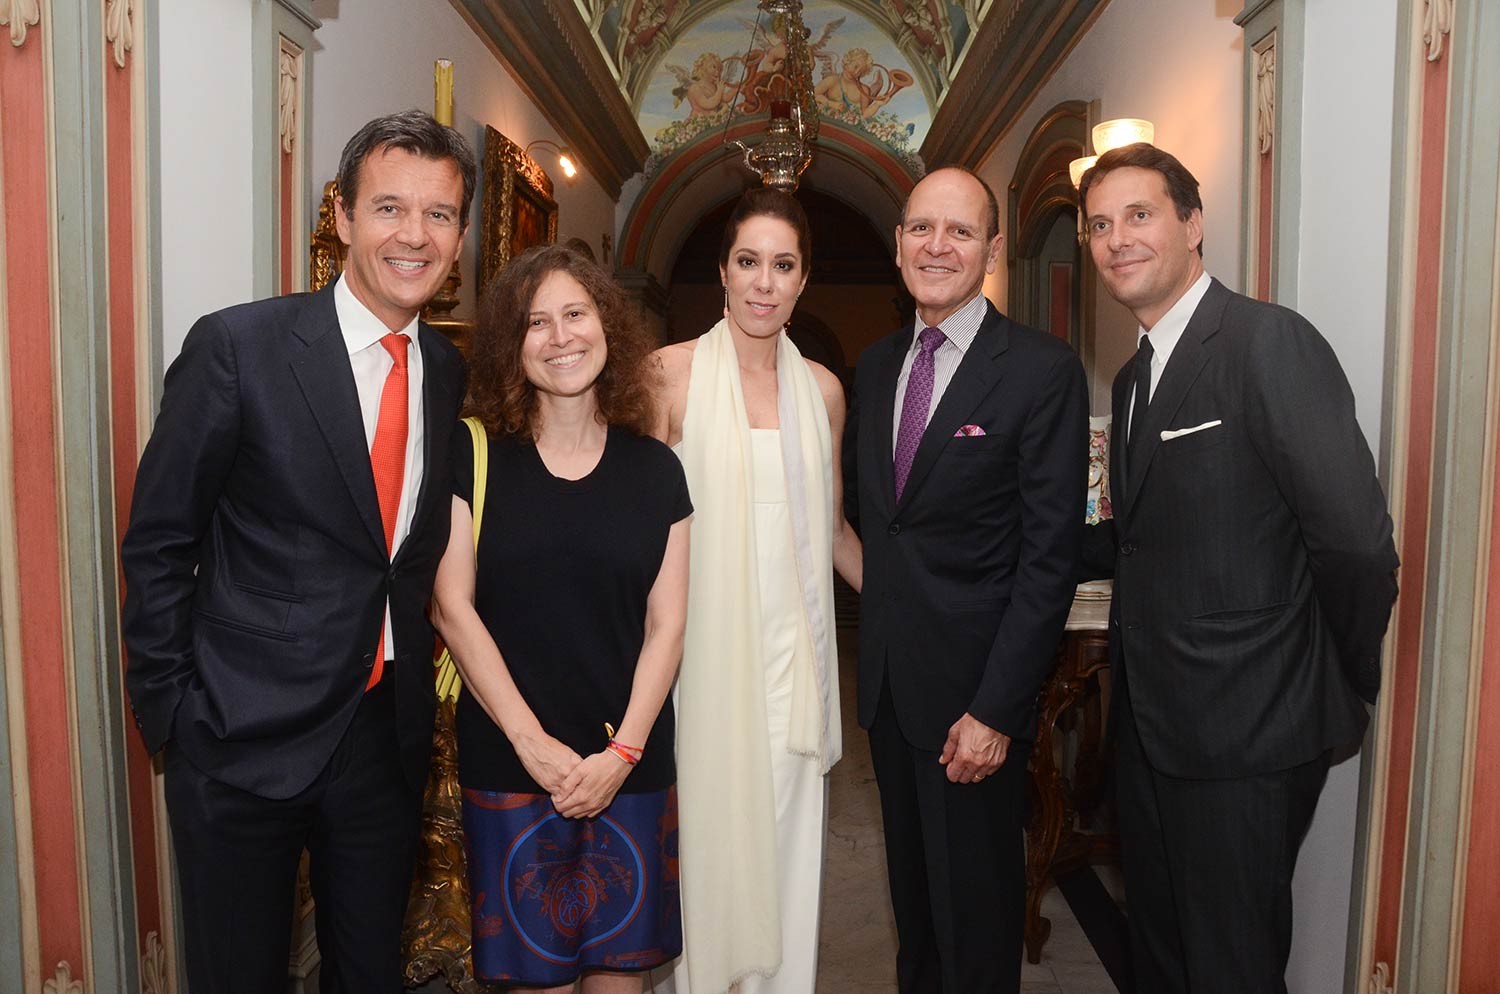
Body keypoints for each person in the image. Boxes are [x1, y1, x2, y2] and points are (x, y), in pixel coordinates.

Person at [120, 110, 473, 993]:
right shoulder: (240, 348)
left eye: (439, 214)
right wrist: (174, 716)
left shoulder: (448, 373)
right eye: (390, 207)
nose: (413, 235)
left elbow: (405, 557)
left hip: (381, 741)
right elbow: (161, 540)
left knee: (369, 975)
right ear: (344, 217)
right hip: (238, 736)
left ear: (461, 237)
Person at [1077, 142, 1399, 994]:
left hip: (1248, 731)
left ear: (1193, 222)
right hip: (1150, 727)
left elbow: (1358, 545)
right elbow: (1140, 537)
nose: (1118, 240)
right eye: (1100, 225)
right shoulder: (1138, 376)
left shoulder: (1268, 343)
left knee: (1231, 967)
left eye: (1139, 216)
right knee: (1163, 953)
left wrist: (1340, 674)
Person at [844, 166, 1088, 994]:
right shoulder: (875, 370)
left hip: (973, 706)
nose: (936, 246)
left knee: (977, 927)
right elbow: (884, 529)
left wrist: (996, 710)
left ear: (991, 249)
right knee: (915, 921)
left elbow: (1048, 559)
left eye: (958, 231)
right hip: (887, 691)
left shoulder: (1040, 370)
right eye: (920, 228)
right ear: (900, 242)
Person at [432, 244, 691, 993]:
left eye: (575, 313)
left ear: (607, 326)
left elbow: (667, 625)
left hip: (629, 767)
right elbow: (453, 607)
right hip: (512, 766)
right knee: (536, 982)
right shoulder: (473, 452)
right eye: (536, 323)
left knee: (620, 980)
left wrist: (624, 756)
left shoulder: (655, 468)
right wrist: (532, 744)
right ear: (513, 347)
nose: (560, 336)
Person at [654, 187, 862, 994]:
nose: (764, 283)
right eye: (749, 263)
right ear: (723, 271)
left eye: (783, 265)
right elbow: (630, 534)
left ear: (804, 279)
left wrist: (925, 623)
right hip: (698, 664)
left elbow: (835, 530)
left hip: (794, 670)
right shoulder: (666, 377)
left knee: (783, 862)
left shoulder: (825, 391)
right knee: (706, 860)